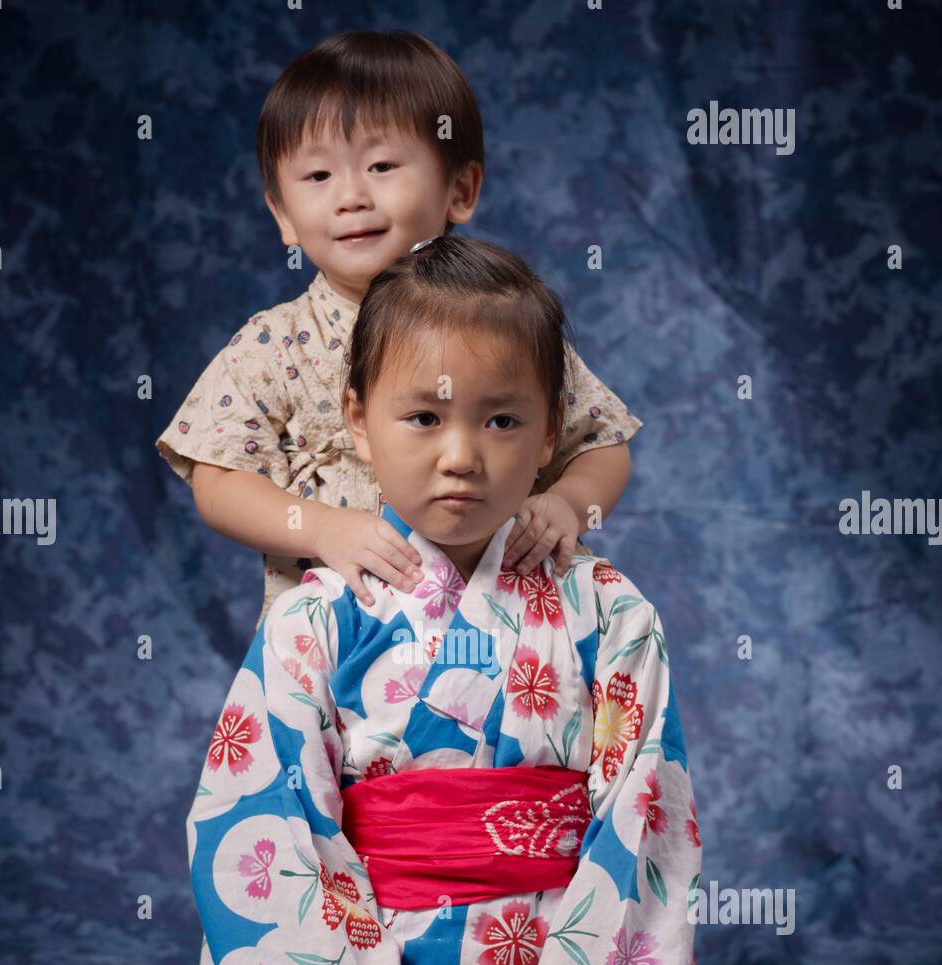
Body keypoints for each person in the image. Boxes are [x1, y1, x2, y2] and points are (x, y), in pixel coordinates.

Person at [112, 236, 818, 965]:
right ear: (357, 419)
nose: (459, 454)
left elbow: (642, 815)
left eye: (500, 419)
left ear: (547, 434)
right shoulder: (314, 618)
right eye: (422, 417)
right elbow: (258, 825)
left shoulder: (606, 611)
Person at [155, 30, 644, 632]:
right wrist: (319, 527)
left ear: (459, 189)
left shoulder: (503, 321)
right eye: (317, 177)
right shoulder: (272, 346)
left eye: (382, 166)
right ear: (282, 213)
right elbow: (220, 478)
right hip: (346, 639)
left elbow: (600, 440)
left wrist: (565, 506)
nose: (352, 197)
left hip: (514, 630)